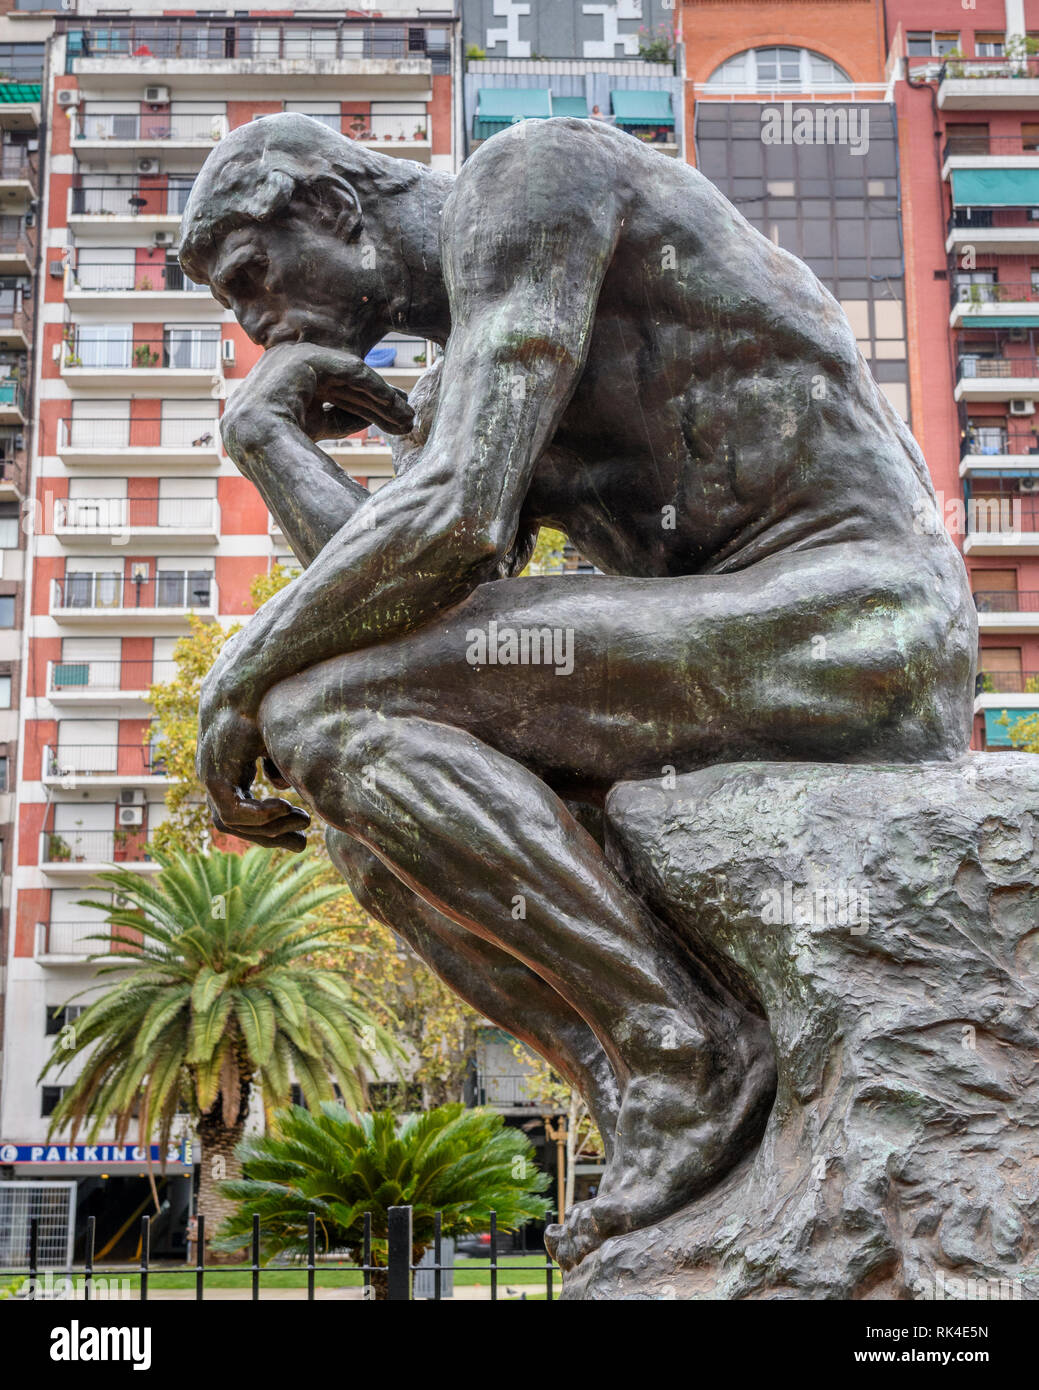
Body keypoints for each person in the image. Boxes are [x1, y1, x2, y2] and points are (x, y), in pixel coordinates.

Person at [179, 113, 976, 1265]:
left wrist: (241, 674)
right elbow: (403, 595)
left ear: (331, 209)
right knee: (352, 798)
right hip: (736, 647)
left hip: (859, 619)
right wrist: (265, 440)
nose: (257, 325)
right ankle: (650, 1080)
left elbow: (452, 520)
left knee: (316, 713)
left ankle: (681, 1054)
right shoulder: (474, 364)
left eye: (254, 278)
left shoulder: (531, 181)